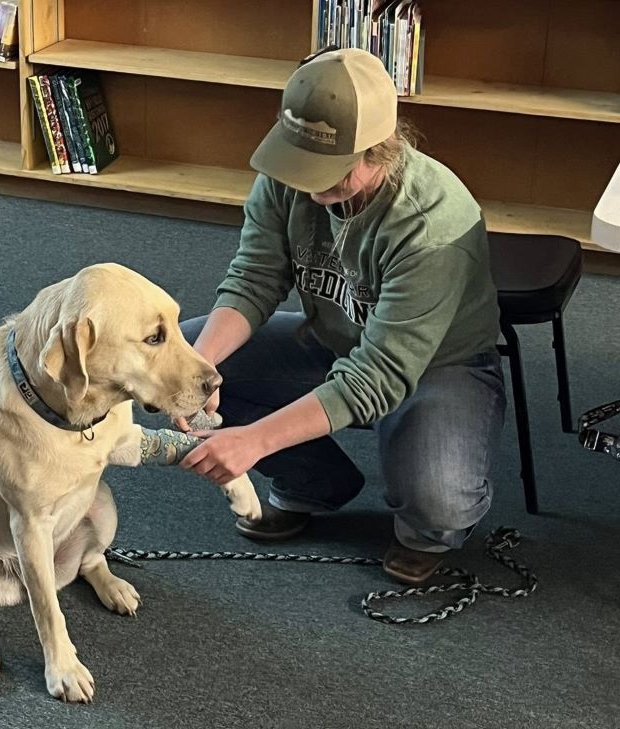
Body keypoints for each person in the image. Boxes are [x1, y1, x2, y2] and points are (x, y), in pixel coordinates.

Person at [176, 48, 506, 585]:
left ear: (382, 150)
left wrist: (254, 439)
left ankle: (426, 531)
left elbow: (379, 377)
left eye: (328, 172)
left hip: (436, 366)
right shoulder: (289, 175)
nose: (308, 185)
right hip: (333, 340)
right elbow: (254, 280)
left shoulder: (432, 224)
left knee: (438, 503)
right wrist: (198, 369)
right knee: (189, 354)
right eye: (300, 164)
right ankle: (314, 484)